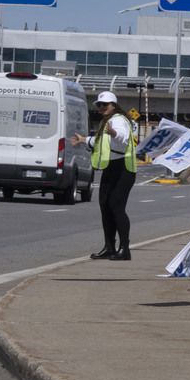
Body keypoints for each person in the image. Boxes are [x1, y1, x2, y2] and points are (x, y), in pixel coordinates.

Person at [70, 91, 137, 261]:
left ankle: (124, 249)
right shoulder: (106, 122)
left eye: (104, 105)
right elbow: (100, 142)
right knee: (105, 206)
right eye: (99, 105)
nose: (101, 108)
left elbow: (122, 138)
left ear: (113, 105)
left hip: (124, 168)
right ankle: (109, 247)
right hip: (110, 167)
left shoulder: (119, 120)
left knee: (116, 207)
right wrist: (83, 140)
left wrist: (114, 133)